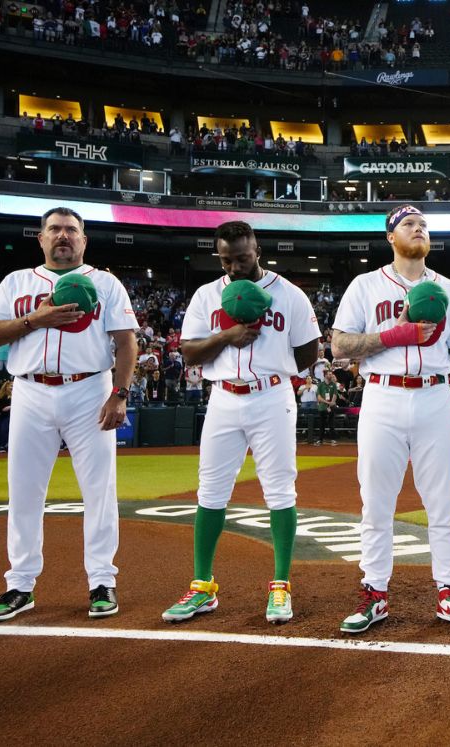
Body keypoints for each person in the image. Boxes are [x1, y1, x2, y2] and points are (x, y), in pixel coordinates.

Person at [0, 206, 137, 622]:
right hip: (30, 389)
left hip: (90, 389)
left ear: (84, 240)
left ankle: (102, 580)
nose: (63, 236)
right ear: (41, 238)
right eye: (55, 230)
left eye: (71, 230)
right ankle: (20, 585)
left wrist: (119, 394)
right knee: (24, 492)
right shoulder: (17, 283)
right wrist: (34, 319)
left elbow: (126, 343)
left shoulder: (106, 283)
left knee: (99, 490)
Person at [330, 204, 450, 634]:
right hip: (382, 394)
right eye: (408, 225)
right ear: (390, 237)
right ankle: (374, 593)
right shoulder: (365, 285)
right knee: (376, 503)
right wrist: (393, 335)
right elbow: (339, 346)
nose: (418, 230)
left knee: (444, 503)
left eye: (423, 225)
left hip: (435, 396)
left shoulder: (449, 289)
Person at [162, 220, 321, 625]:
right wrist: (227, 337)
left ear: (258, 251)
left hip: (271, 395)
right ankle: (202, 587)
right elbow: (190, 352)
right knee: (210, 491)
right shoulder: (206, 295)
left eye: (243, 257)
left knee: (280, 490)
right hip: (224, 397)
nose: (234, 266)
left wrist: (272, 359)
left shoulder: (289, 294)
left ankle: (281, 586)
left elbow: (308, 353)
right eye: (227, 259)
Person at [316, 368, 341, 445]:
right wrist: (327, 402)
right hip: (322, 407)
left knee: (332, 424)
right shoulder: (320, 385)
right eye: (329, 374)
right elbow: (319, 397)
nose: (331, 375)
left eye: (331, 374)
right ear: (325, 375)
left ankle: (333, 440)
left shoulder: (333, 385)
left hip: (331, 407)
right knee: (321, 424)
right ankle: (320, 440)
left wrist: (331, 403)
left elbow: (335, 395)